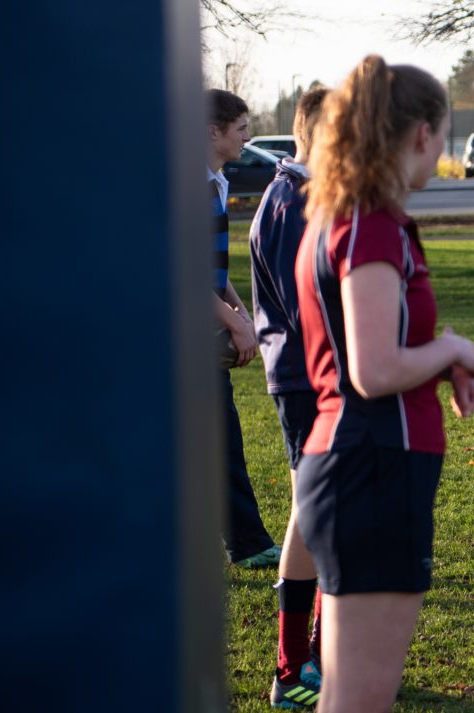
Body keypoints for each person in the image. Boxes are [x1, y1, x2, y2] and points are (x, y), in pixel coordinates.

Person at [295, 55, 474, 713]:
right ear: (422, 133)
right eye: (444, 134)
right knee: (360, 699)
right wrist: (454, 347)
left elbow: (371, 347)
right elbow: (372, 370)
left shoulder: (343, 215)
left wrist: (439, 360)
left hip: (358, 465)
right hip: (372, 468)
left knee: (345, 696)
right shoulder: (369, 222)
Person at [248, 87, 328, 708]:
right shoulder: (289, 201)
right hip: (306, 377)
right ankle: (292, 667)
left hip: (320, 373)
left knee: (330, 509)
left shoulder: (308, 194)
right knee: (312, 506)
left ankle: (323, 655)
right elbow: (308, 306)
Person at [207, 88, 281, 567]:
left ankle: (247, 543)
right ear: (212, 131)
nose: (248, 137)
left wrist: (237, 308)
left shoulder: (215, 180)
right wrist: (233, 323)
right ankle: (248, 545)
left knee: (220, 438)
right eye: (241, 128)